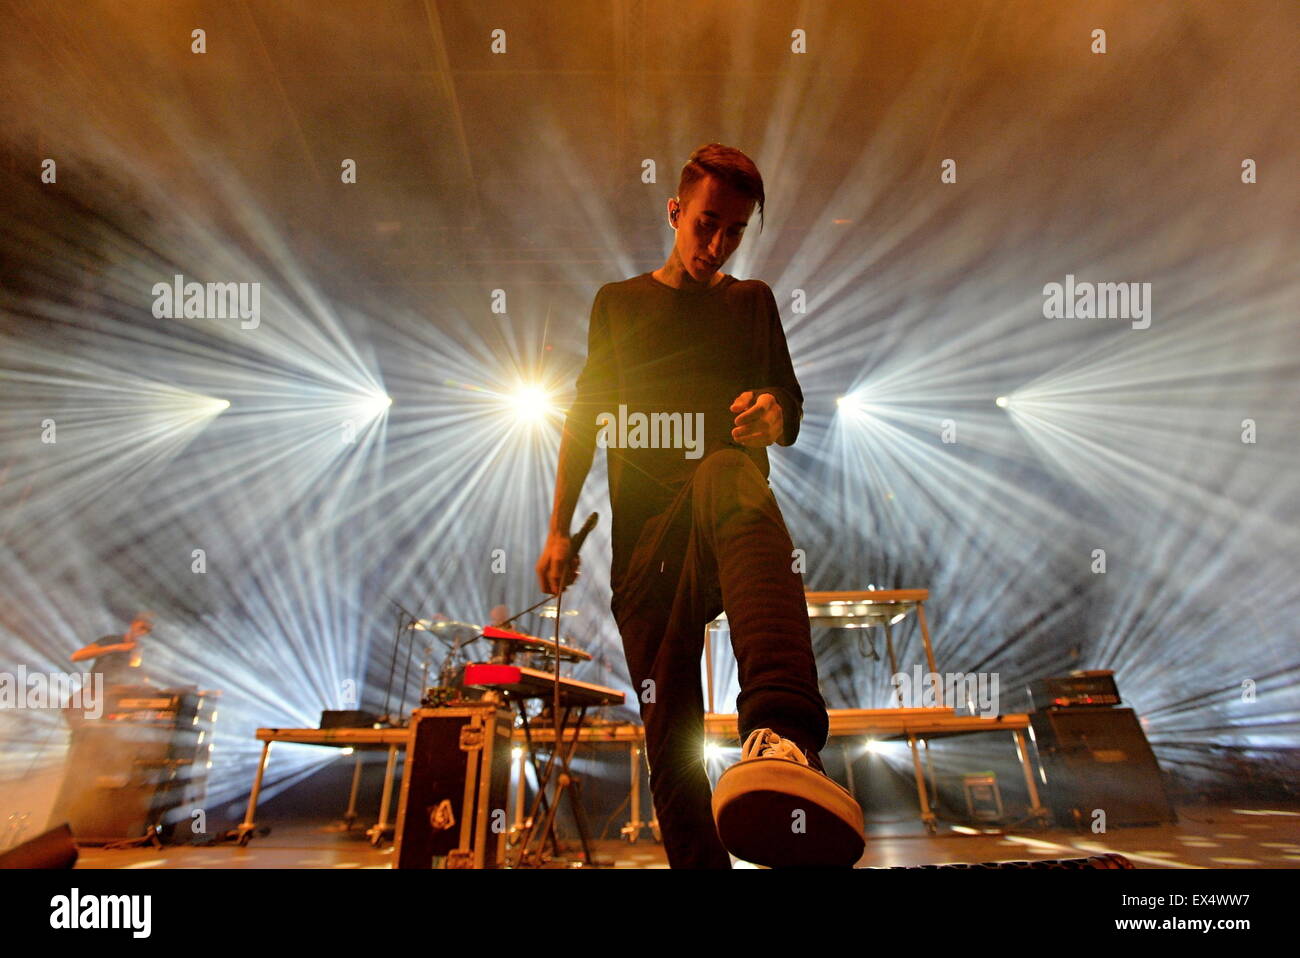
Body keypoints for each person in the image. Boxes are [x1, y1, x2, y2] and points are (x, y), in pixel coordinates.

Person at [535, 144, 864, 868]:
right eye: (706, 225)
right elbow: (585, 419)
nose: (718, 246)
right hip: (649, 553)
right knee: (671, 745)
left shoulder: (751, 303)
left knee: (727, 472)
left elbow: (790, 398)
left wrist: (773, 414)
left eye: (735, 232)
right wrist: (558, 530)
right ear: (675, 211)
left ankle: (781, 734)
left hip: (727, 522)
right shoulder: (618, 304)